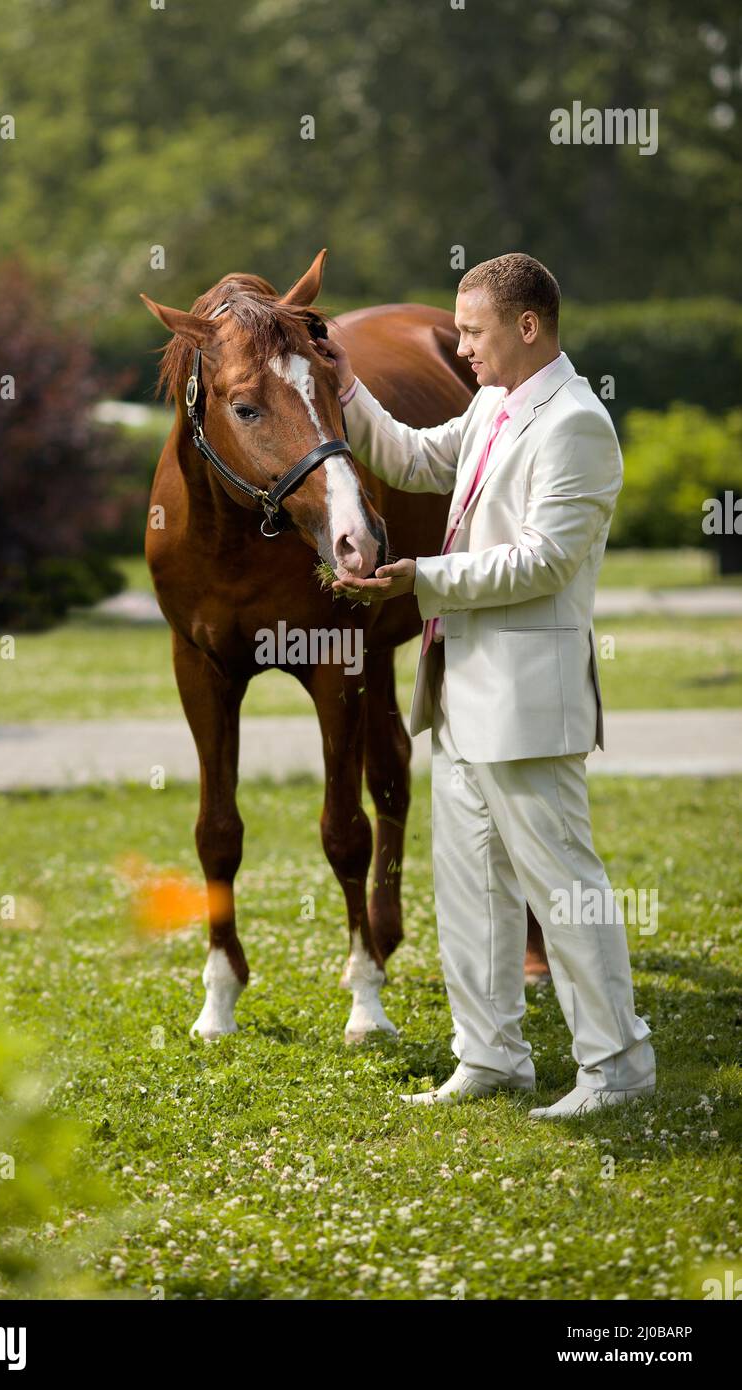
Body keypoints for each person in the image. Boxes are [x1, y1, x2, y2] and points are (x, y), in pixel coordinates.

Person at [314, 253, 655, 1118]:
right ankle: (490, 1056)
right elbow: (411, 455)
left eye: (471, 331)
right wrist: (346, 385)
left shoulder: (576, 423)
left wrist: (417, 579)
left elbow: (544, 562)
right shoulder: (495, 405)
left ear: (526, 326)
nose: (460, 346)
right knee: (469, 887)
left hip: (528, 700)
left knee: (561, 887)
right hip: (459, 693)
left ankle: (616, 1067)